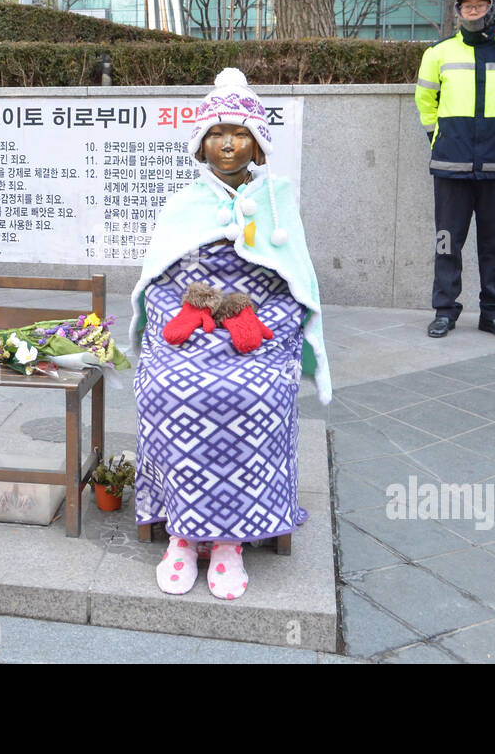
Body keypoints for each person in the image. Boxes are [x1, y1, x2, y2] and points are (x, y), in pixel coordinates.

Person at [129, 68, 331, 600]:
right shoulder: (182, 205)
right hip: (187, 332)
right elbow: (159, 286)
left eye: (239, 133)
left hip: (257, 334)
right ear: (201, 142)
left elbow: (295, 287)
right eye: (217, 132)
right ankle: (181, 532)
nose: (228, 143)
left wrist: (263, 329)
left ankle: (228, 543)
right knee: (169, 386)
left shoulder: (278, 202)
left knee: (253, 391)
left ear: (257, 144)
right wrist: (193, 325)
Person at [415, 0, 495, 342]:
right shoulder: (439, 53)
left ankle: (494, 314)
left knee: (494, 244)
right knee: (447, 240)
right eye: (467, 5)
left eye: (480, 5)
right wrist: (438, 137)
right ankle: (444, 311)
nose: (473, 10)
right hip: (452, 164)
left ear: (492, 8)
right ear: (459, 11)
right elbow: (424, 101)